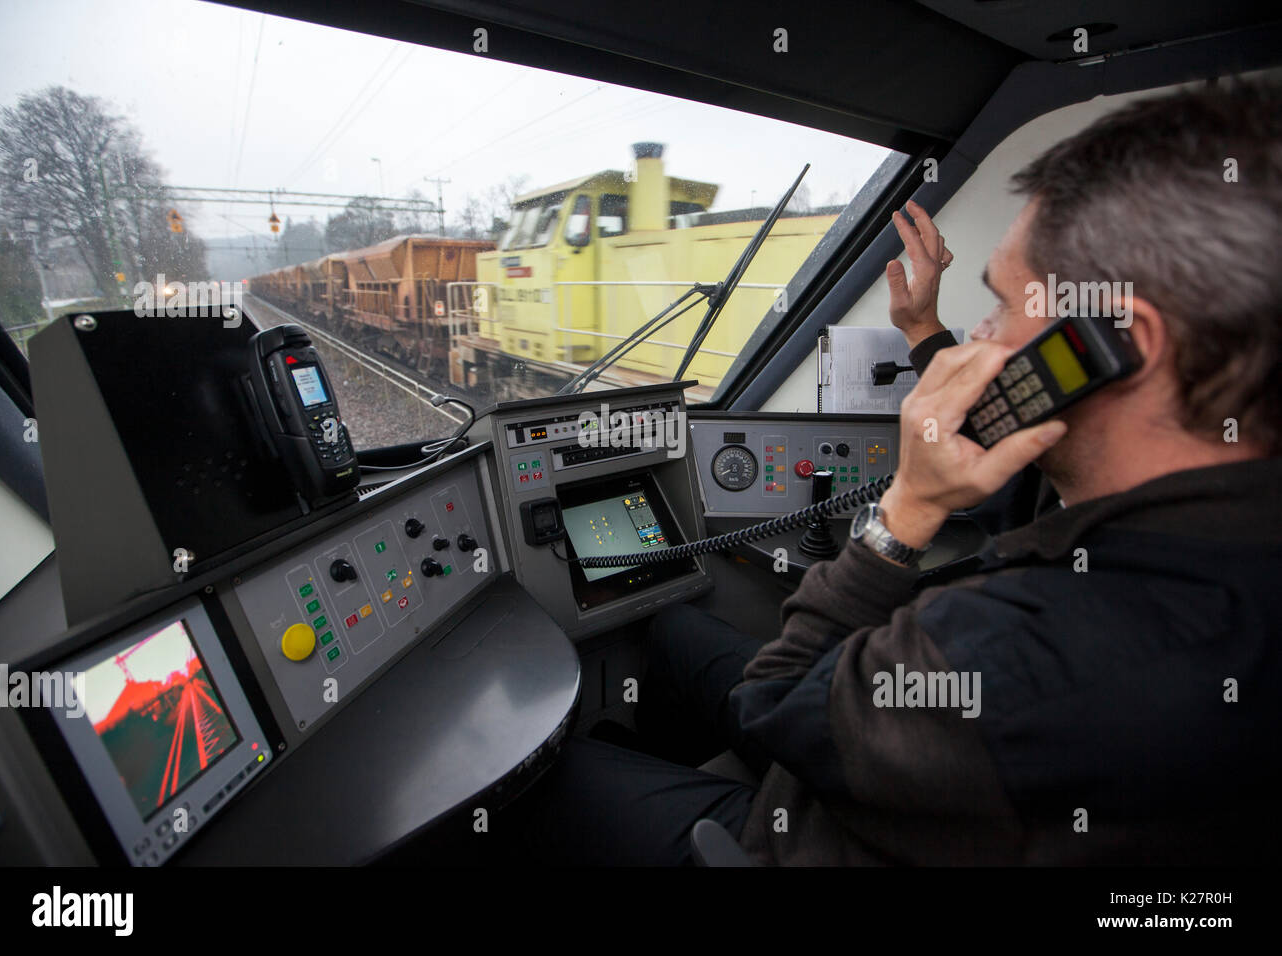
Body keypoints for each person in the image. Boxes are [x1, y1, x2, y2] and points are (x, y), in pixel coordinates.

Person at [499, 81, 1282, 865]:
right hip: (889, 751)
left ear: (1120, 348)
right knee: (668, 625)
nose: (982, 336)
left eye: (1003, 307)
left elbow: (775, 705)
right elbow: (1011, 464)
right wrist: (924, 330)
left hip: (801, 826)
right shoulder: (1209, 525)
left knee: (537, 781)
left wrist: (906, 505)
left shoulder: (1027, 652)